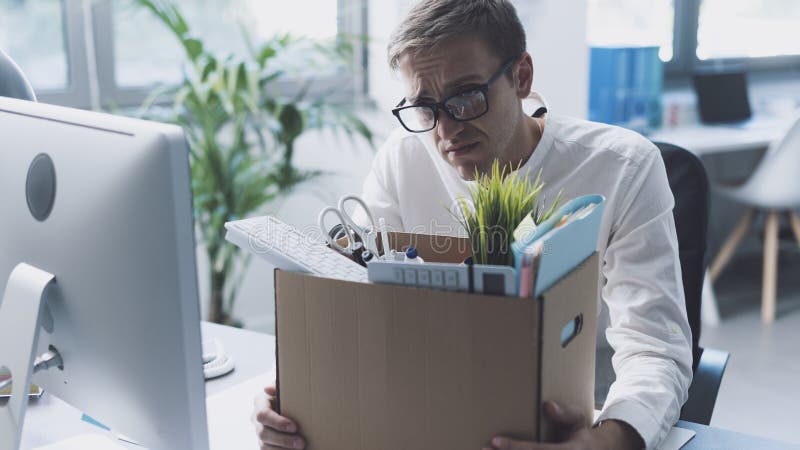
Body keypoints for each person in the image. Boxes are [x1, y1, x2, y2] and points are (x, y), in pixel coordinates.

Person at [253, 1, 693, 449]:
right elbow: (356, 305)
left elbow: (657, 349)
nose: (445, 131)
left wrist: (604, 443)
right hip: (428, 408)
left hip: (572, 416)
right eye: (425, 107)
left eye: (465, 98)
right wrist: (291, 391)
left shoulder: (624, 168)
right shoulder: (406, 154)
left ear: (521, 77)